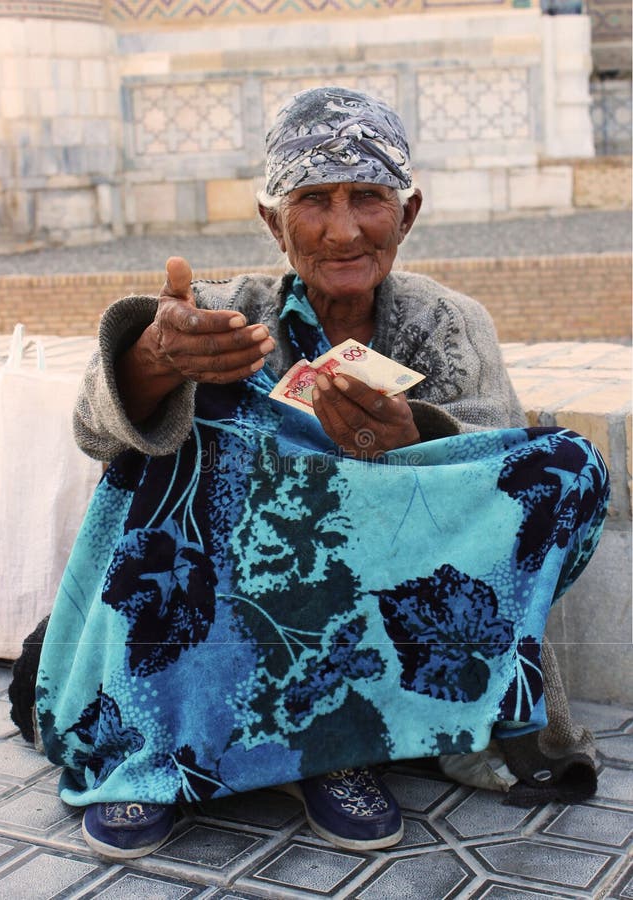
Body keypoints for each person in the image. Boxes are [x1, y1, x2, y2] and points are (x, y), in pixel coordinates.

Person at [35, 86, 609, 860]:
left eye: (368, 198)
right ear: (273, 221)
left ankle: (337, 745)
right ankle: (145, 748)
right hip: (228, 617)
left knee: (565, 465)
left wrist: (407, 446)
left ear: (406, 215)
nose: (343, 230)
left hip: (378, 606)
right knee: (194, 420)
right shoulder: (227, 310)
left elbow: (491, 486)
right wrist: (150, 362)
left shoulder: (448, 323)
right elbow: (93, 431)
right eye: (313, 201)